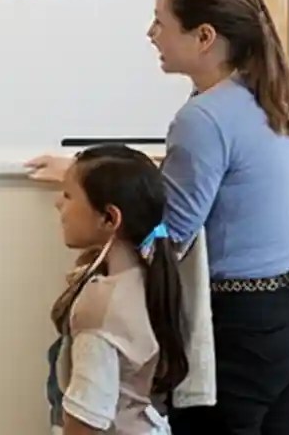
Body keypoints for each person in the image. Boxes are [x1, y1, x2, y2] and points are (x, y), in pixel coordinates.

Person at [28, 0, 289, 434]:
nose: (151, 33)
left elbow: (168, 236)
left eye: (161, 21)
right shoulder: (275, 100)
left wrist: (98, 193)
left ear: (204, 36)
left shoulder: (203, 118)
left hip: (233, 333)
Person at [48, 144, 187, 434]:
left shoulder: (101, 305)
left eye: (68, 195)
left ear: (109, 218)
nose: (58, 204)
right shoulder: (149, 275)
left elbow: (86, 419)